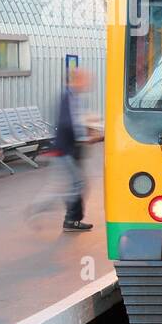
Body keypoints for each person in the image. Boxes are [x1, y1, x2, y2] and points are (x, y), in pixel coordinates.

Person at [49, 68, 101, 232]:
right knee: (77, 184)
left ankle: (73, 220)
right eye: (84, 79)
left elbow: (75, 120)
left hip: (72, 148)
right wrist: (85, 137)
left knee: (78, 183)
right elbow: (67, 123)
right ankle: (56, 212)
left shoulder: (74, 97)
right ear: (76, 80)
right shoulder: (68, 97)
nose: (87, 82)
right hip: (65, 149)